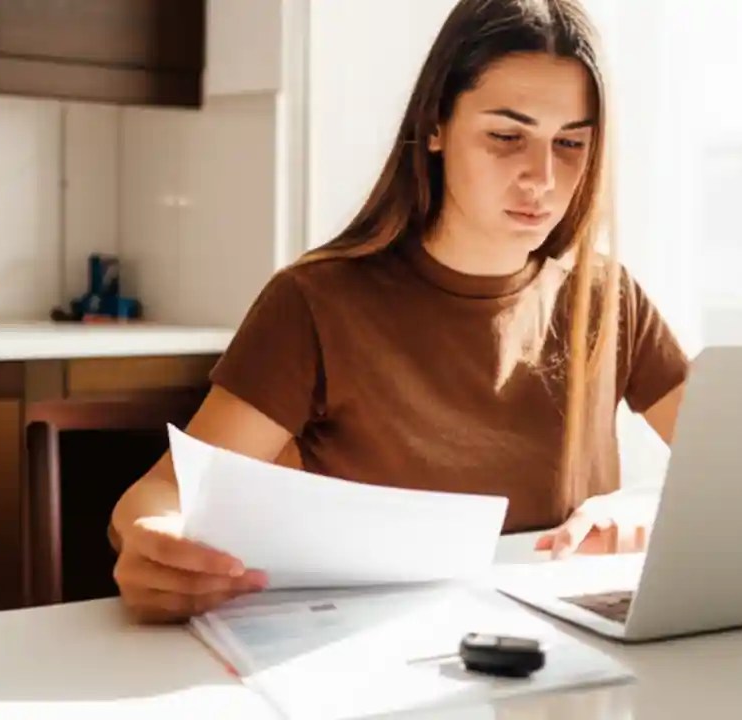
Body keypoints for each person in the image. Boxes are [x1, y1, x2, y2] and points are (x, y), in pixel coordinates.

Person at [107, 0, 688, 624]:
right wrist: (153, 538)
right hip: (368, 648)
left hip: (559, 652)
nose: (542, 177)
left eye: (571, 143)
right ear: (435, 126)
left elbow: (740, 473)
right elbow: (163, 493)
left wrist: (645, 508)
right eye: (506, 137)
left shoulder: (608, 299)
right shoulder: (317, 302)